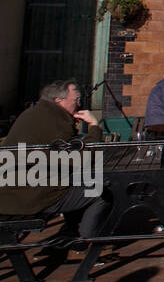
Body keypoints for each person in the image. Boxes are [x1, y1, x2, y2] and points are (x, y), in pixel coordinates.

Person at [0, 80, 110, 251]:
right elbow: (83, 159)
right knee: (99, 192)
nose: (79, 104)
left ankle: (71, 232)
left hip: (15, 190)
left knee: (78, 182)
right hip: (28, 195)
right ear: (59, 101)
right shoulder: (53, 120)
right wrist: (94, 126)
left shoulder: (36, 113)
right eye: (76, 99)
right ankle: (86, 242)